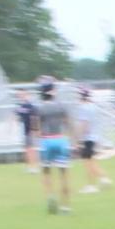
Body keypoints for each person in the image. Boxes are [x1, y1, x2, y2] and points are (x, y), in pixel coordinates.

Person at [35, 79, 73, 215]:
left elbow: (37, 129)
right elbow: (68, 124)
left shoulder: (39, 108)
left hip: (46, 140)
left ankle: (51, 196)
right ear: (53, 91)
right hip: (61, 139)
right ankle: (66, 207)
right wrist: (74, 140)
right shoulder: (61, 106)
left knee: (46, 172)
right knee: (64, 175)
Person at [75, 87, 112, 194]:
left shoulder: (83, 108)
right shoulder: (94, 107)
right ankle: (104, 178)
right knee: (92, 161)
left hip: (88, 138)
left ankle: (91, 185)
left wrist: (79, 139)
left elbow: (84, 125)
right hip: (95, 136)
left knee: (87, 163)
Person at [16, 90, 39, 173]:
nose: (20, 96)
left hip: (30, 130)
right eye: (19, 95)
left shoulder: (31, 106)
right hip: (24, 130)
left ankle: (34, 167)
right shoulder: (20, 107)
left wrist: (34, 129)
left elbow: (35, 118)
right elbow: (17, 117)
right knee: (26, 149)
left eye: (22, 95)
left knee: (31, 149)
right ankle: (28, 166)